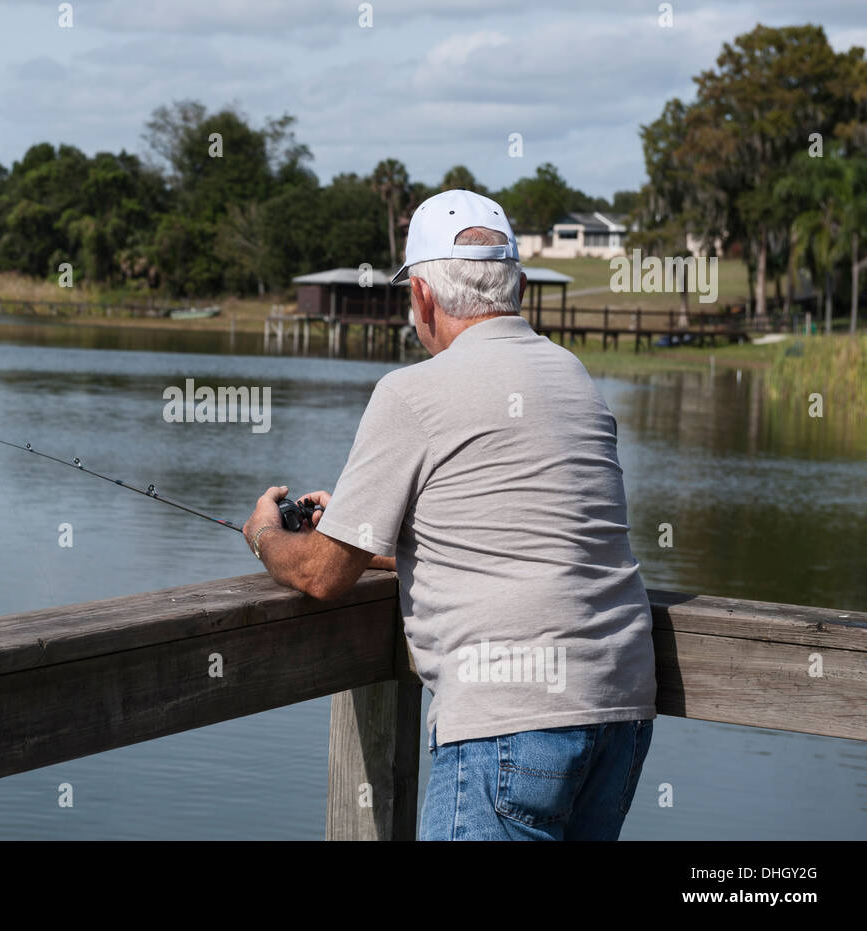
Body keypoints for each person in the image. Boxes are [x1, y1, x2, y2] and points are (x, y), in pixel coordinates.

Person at [242, 189, 657, 840]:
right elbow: (516, 538)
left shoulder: (410, 392)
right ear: (516, 284)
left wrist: (266, 533)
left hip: (509, 720)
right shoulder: (573, 377)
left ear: (424, 299)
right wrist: (365, 529)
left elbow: (322, 575)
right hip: (620, 710)